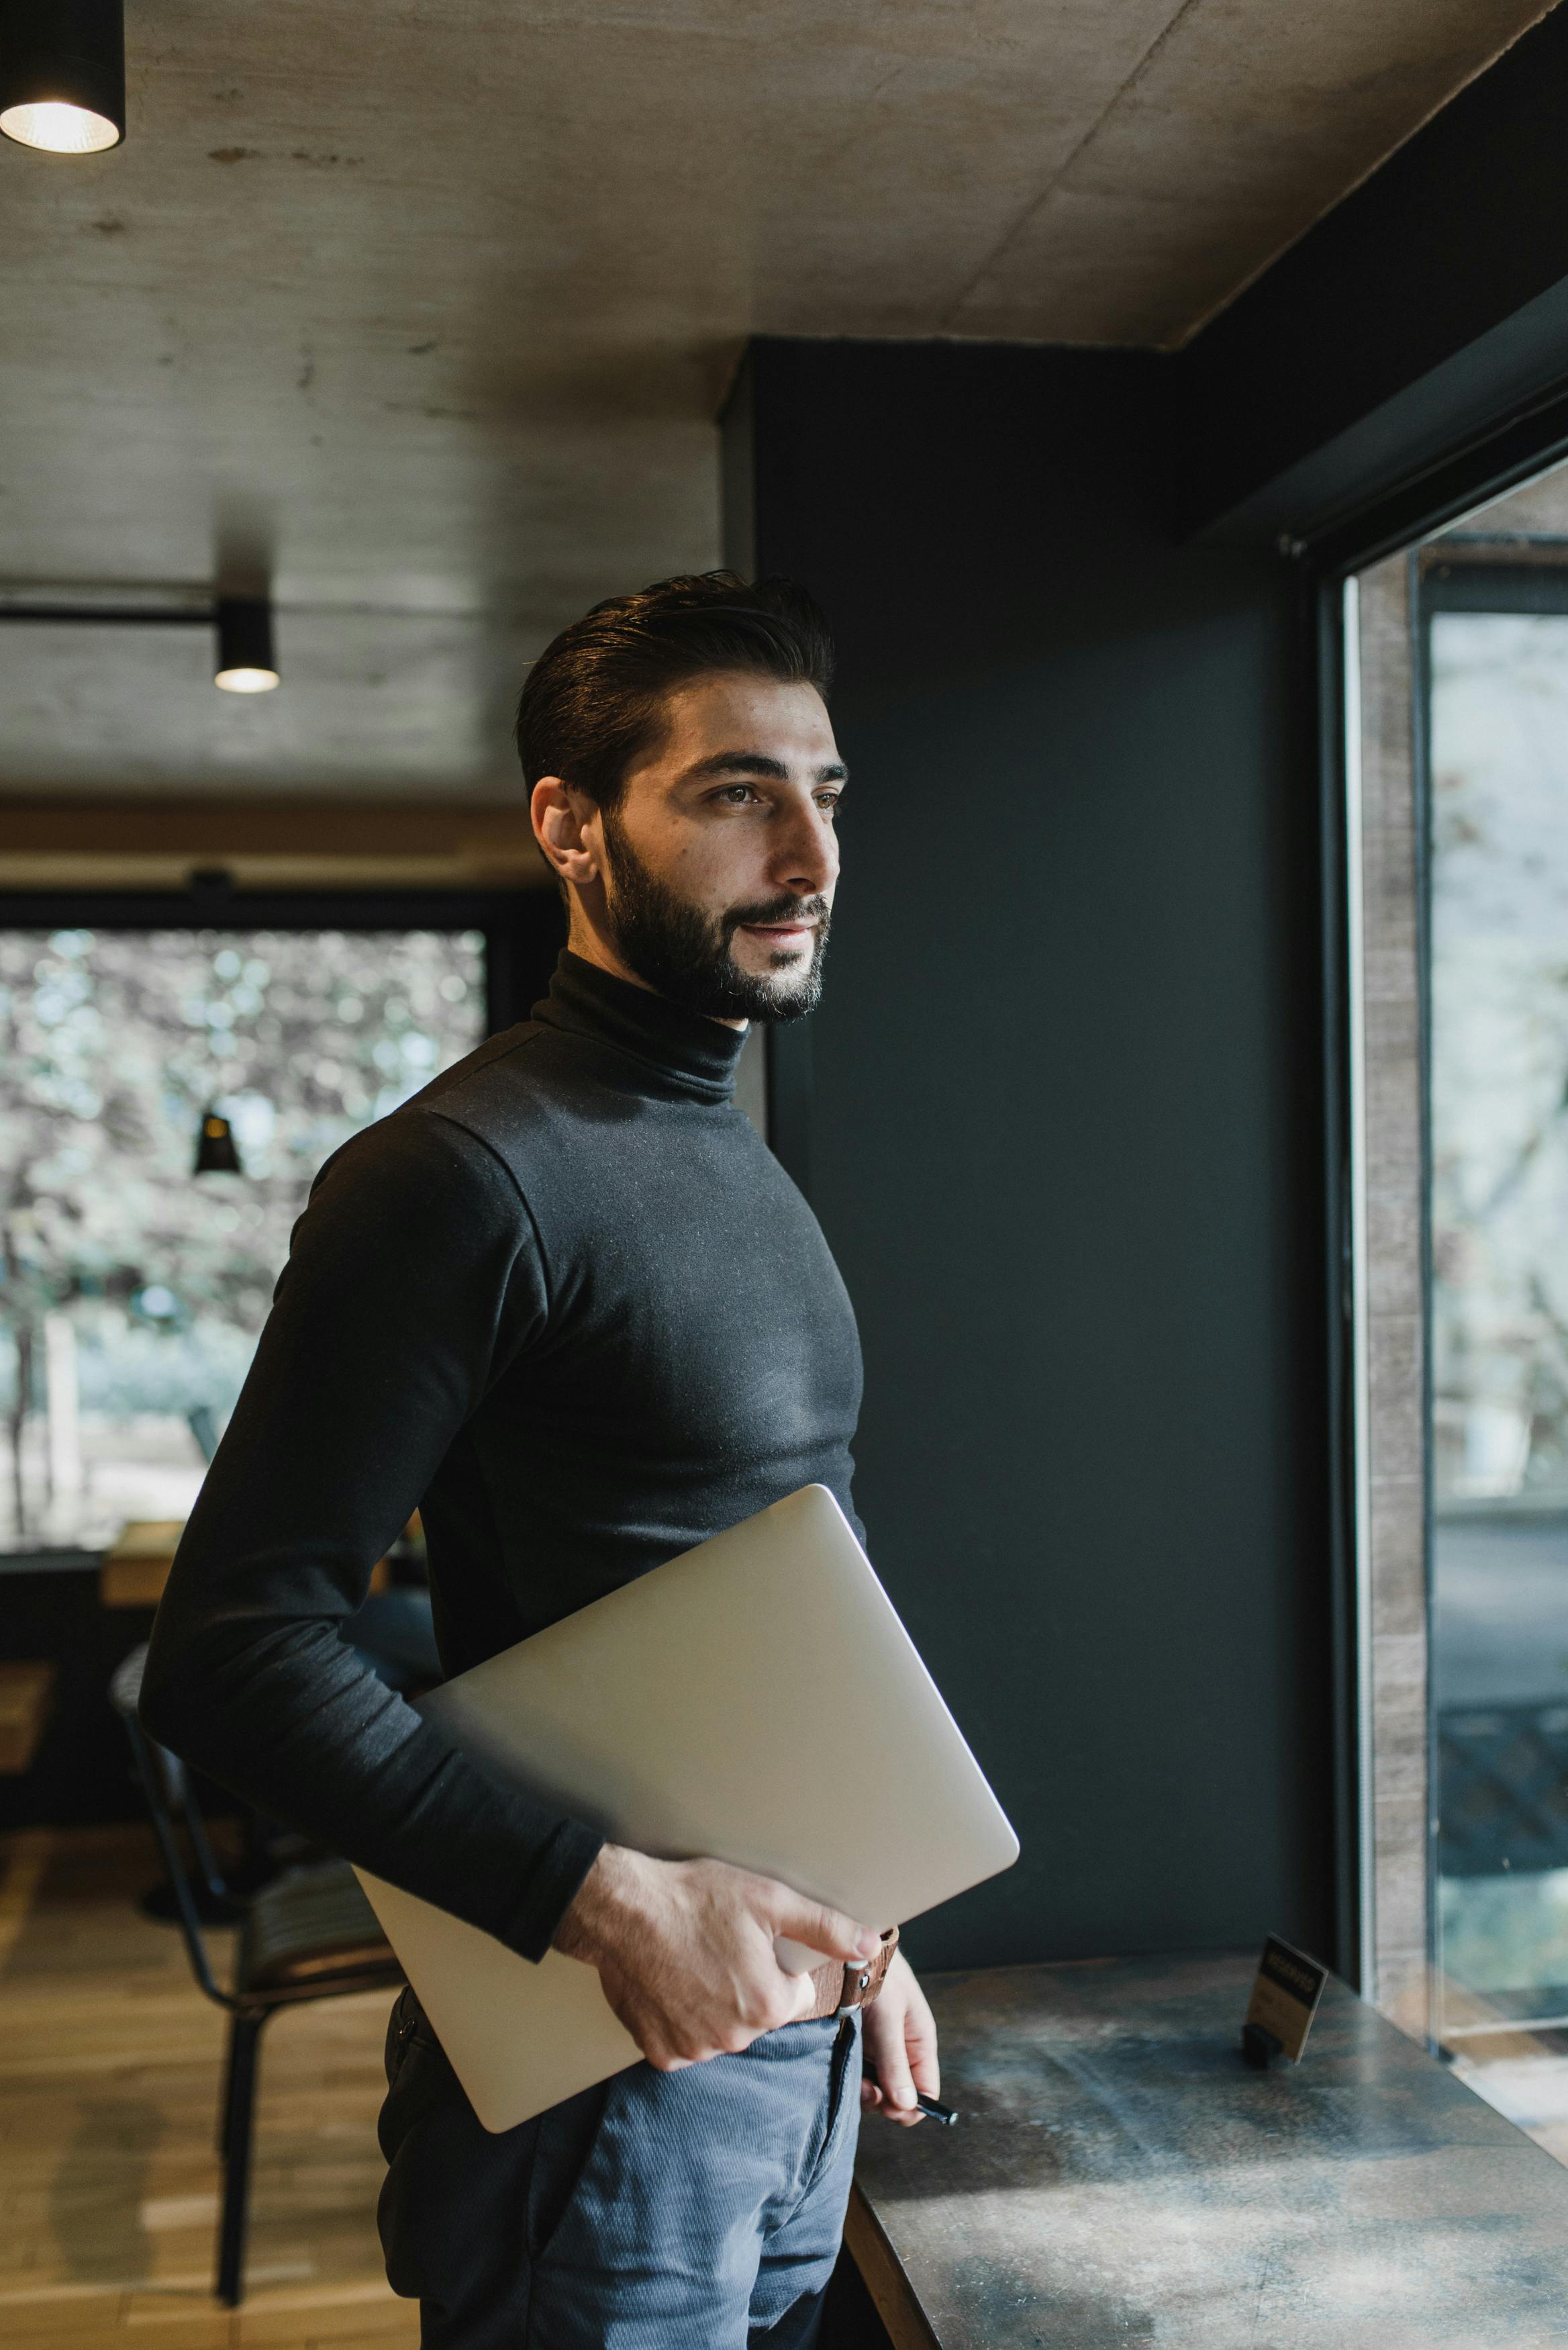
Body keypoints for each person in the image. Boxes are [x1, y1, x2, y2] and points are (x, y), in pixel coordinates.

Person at [140, 571, 940, 2348]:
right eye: (738, 791)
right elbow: (232, 1647)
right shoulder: (459, 1178)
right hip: (604, 2085)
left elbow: (772, 1594)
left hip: (788, 2042)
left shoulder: (725, 1148)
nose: (808, 852)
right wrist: (618, 1904)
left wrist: (863, 1927)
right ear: (573, 828)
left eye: (827, 792)